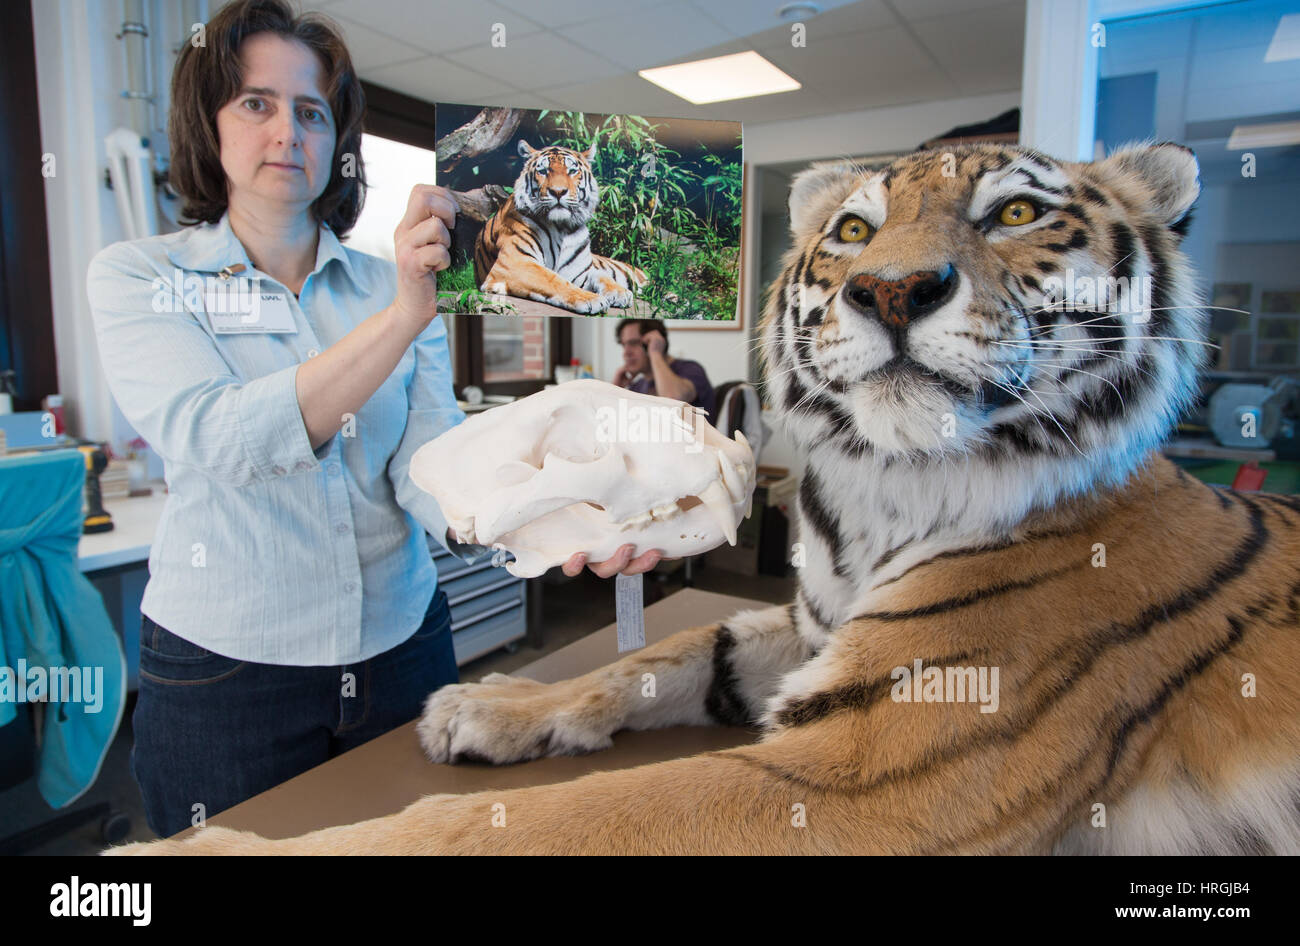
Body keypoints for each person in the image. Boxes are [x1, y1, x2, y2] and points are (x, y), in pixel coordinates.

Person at [86, 0, 658, 839]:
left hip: (401, 648)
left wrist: (551, 524)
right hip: (231, 673)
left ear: (336, 141)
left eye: (311, 111)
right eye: (257, 102)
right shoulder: (140, 276)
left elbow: (427, 463)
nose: (288, 130)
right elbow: (225, 439)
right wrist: (401, 317)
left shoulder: (383, 281)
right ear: (207, 125)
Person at [611, 318, 716, 423]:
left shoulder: (691, 369)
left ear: (653, 342)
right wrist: (615, 389)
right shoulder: (637, 386)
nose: (626, 352)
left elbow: (672, 398)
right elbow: (609, 422)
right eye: (624, 345)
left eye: (633, 343)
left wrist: (655, 353)